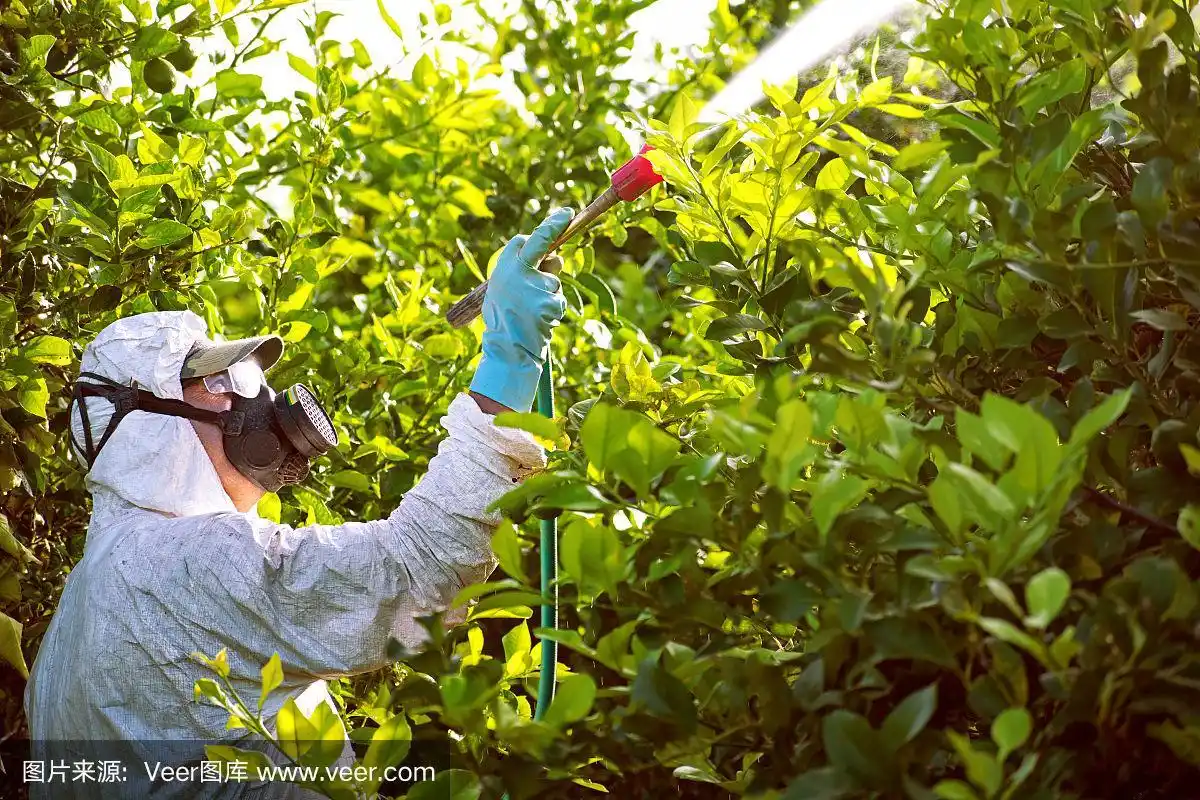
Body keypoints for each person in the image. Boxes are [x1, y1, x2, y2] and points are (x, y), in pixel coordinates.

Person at [23, 209, 574, 797]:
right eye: (214, 382)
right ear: (145, 424)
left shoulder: (84, 602)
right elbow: (420, 568)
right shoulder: (185, 561)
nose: (249, 395)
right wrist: (507, 366)